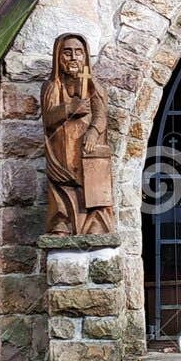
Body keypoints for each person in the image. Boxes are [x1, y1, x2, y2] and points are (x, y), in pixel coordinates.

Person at [40, 33, 113, 235]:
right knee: (62, 187)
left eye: (78, 53)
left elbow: (101, 116)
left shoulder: (93, 87)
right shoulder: (52, 87)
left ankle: (94, 224)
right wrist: (68, 108)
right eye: (67, 52)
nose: (73, 58)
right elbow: (48, 118)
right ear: (58, 57)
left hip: (86, 150)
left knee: (91, 186)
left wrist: (93, 132)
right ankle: (62, 223)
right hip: (62, 152)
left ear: (85, 57)